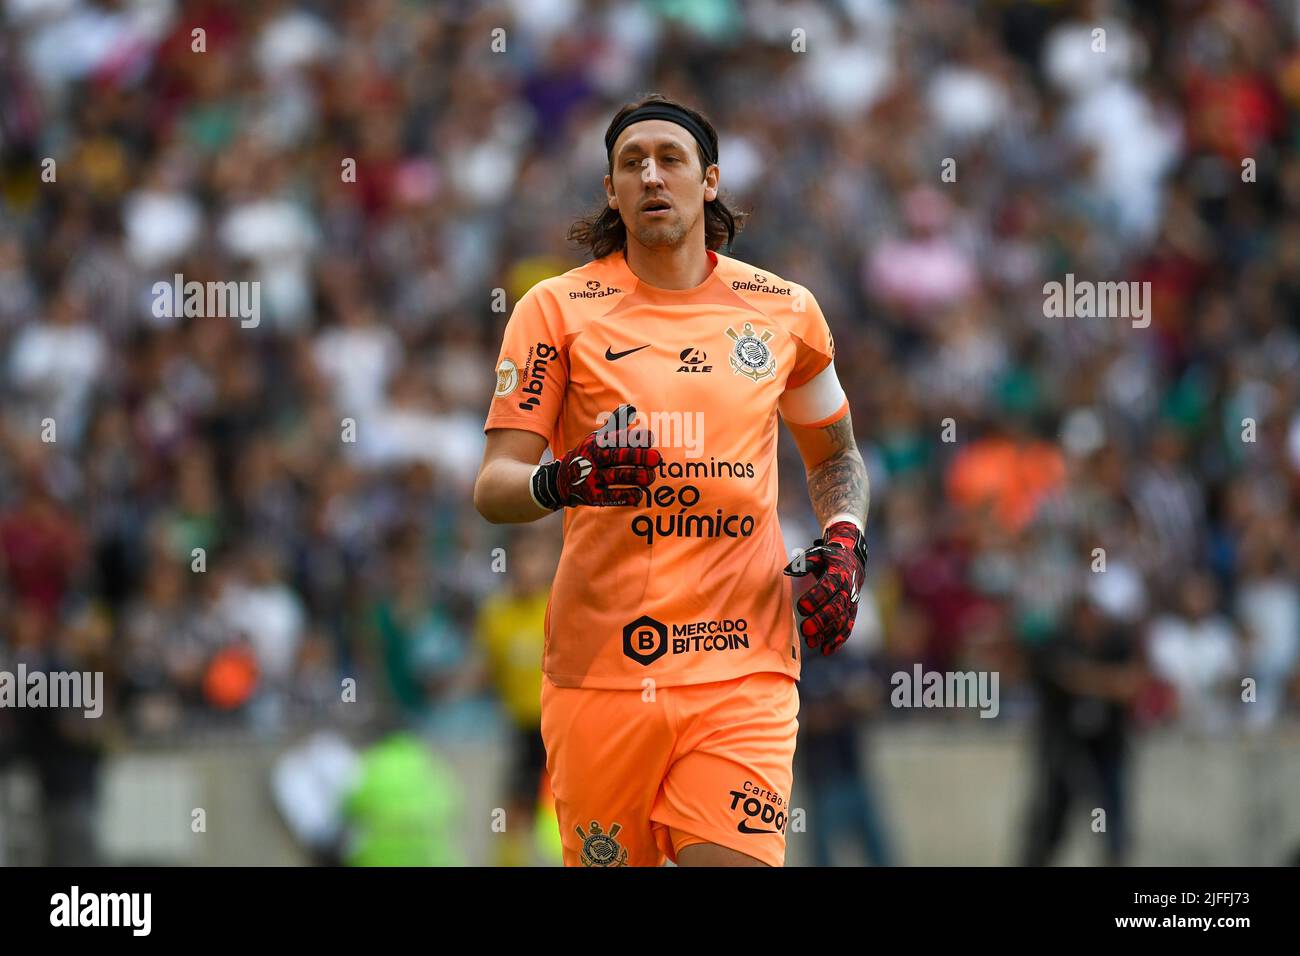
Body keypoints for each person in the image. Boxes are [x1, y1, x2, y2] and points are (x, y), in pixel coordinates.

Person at [474, 94, 870, 867]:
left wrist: (847, 541)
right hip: (602, 673)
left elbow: (836, 456)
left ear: (709, 180)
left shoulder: (785, 311)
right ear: (612, 191)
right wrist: (564, 482)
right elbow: (495, 486)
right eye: (632, 164)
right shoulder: (555, 310)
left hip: (743, 665)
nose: (651, 175)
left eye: (670, 159)